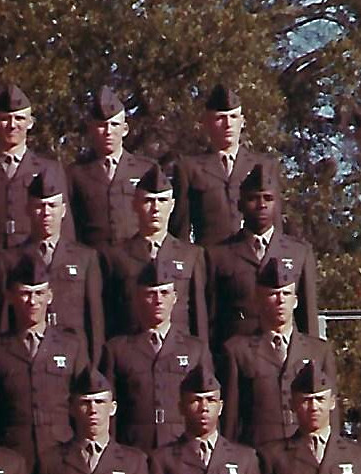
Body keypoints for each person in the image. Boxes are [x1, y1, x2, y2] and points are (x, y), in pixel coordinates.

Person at [0, 255, 90, 467]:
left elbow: (83, 404)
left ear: (50, 296)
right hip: (12, 452)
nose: (33, 301)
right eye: (25, 294)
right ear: (10, 296)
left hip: (61, 451)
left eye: (39, 294)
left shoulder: (71, 346)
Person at [220, 256, 336, 448]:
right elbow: (231, 420)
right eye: (272, 294)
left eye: (286, 294)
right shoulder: (237, 351)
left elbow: (332, 416)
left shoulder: (319, 351)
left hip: (303, 457)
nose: (280, 301)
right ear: (258, 300)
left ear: (296, 300)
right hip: (257, 455)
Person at [102, 260, 214, 452]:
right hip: (135, 447)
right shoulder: (117, 350)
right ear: (137, 298)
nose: (158, 300)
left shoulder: (195, 349)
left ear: (175, 297)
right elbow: (109, 411)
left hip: (180, 448)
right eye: (150, 294)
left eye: (164, 293)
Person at [206, 164, 319, 349]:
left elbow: (307, 316)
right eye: (253, 199)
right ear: (240, 204)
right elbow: (210, 318)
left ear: (277, 203)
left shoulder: (299, 252)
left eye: (268, 198)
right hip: (236, 360)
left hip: (284, 357)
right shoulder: (217, 255)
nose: (261, 205)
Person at [0, 167, 104, 359]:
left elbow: (94, 320)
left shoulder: (84, 258)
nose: (46, 213)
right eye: (39, 206)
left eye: (52, 206)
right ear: (27, 209)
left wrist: (93, 364)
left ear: (63, 210)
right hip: (24, 353)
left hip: (73, 354)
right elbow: (3, 319)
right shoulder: (9, 260)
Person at [172, 82, 283, 250]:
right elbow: (180, 230)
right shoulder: (189, 168)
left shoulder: (265, 166)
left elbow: (275, 223)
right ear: (206, 123)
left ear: (242, 121)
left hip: (254, 263)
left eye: (233, 117)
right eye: (220, 118)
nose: (228, 124)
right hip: (209, 264)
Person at [102, 166, 209, 341]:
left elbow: (199, 316)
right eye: (148, 201)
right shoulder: (115, 257)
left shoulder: (191, 255)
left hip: (180, 352)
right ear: (134, 204)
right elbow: (109, 315)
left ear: (172, 205)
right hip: (133, 351)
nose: (155, 208)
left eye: (162, 201)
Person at [0, 84, 70, 254]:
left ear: (30, 123)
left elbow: (65, 227)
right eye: (5, 118)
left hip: (33, 262)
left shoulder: (50, 169)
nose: (12, 125)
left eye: (19, 118)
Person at [65, 86, 158, 249]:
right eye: (102, 125)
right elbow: (68, 224)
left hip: (136, 261)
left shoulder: (146, 170)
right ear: (91, 129)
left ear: (125, 129)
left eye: (114, 125)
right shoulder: (75, 174)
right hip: (94, 262)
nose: (108, 131)